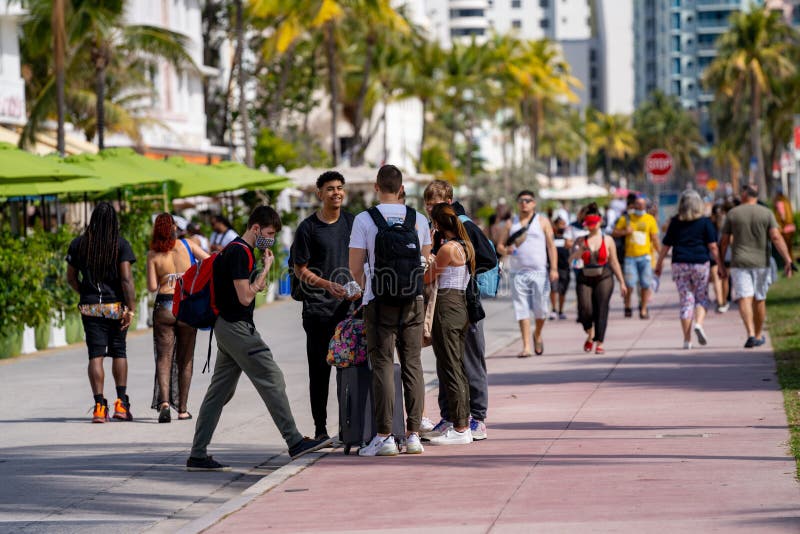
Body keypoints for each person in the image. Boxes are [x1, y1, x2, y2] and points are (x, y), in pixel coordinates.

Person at [186, 206, 331, 471]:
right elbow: (245, 296)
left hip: (226, 328)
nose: (271, 239)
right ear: (256, 228)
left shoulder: (236, 250)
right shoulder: (240, 252)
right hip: (237, 329)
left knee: (218, 393)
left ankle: (197, 455)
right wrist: (266, 270)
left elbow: (246, 290)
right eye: (269, 233)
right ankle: (294, 441)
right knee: (272, 377)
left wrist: (260, 272)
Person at [348, 165, 432, 456]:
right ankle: (413, 435)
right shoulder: (418, 219)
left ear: (376, 187)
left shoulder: (364, 219)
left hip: (378, 300)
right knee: (413, 365)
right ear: (401, 188)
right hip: (413, 300)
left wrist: (366, 289)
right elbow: (424, 263)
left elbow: (355, 268)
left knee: (383, 365)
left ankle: (384, 437)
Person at [423, 180, 498, 441]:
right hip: (449, 302)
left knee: (469, 361)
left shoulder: (464, 226)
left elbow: (488, 258)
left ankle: (476, 418)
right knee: (447, 362)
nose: (430, 209)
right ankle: (451, 416)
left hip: (463, 303)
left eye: (435, 204)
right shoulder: (438, 230)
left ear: (449, 203)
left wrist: (466, 276)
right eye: (428, 204)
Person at [290, 171, 355, 441]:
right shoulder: (308, 228)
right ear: (319, 194)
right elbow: (299, 269)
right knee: (319, 373)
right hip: (318, 311)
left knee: (348, 372)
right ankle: (320, 430)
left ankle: (349, 428)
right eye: (330, 189)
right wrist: (327, 285)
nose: (336, 192)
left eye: (339, 188)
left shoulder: (352, 222)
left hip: (349, 312)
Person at [66, 202, 137, 423]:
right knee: (119, 352)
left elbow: (71, 278)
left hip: (90, 308)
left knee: (95, 355)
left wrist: (86, 293)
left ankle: (99, 407)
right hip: (115, 307)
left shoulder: (78, 244)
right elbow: (126, 279)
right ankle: (121, 404)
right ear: (114, 222)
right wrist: (131, 309)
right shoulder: (120, 245)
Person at [146, 213, 209, 422]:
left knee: (164, 358)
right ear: (174, 227)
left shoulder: (153, 254)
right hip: (186, 303)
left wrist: (166, 276)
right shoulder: (188, 244)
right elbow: (209, 261)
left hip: (165, 304)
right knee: (186, 359)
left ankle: (164, 403)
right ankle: (182, 409)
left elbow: (152, 286)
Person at [423, 203, 475, 445]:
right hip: (461, 304)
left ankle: (461, 427)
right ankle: (462, 422)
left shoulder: (447, 249)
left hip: (447, 305)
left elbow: (428, 277)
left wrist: (428, 249)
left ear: (437, 224)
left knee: (450, 367)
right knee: (457, 366)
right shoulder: (466, 246)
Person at [718, 184, 794, 348]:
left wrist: (721, 264)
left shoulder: (733, 213)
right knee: (760, 298)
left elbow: (724, 242)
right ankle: (758, 335)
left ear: (744, 196)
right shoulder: (766, 213)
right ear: (756, 197)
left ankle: (751, 334)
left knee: (744, 297)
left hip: (739, 262)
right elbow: (776, 237)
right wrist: (788, 259)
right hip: (761, 262)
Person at [655, 190, 721, 349]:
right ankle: (699, 323)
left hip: (680, 264)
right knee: (701, 297)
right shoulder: (705, 222)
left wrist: (659, 263)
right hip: (700, 263)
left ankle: (687, 340)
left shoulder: (675, 222)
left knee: (686, 300)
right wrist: (720, 265)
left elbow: (666, 245)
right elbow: (713, 246)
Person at [496, 190, 559, 357]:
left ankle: (537, 334)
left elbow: (551, 246)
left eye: (528, 200)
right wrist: (507, 251)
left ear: (534, 203)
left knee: (542, 310)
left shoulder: (542, 221)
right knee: (521, 308)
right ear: (518, 203)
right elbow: (500, 246)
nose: (524, 203)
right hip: (517, 273)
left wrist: (554, 268)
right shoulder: (511, 223)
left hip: (539, 272)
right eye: (521, 200)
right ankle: (526, 346)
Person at [568, 204, 627, 354]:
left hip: (604, 277)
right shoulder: (580, 240)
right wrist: (579, 252)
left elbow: (614, 262)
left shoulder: (608, 240)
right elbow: (571, 261)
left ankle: (599, 342)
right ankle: (590, 333)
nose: (591, 226)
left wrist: (622, 282)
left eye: (594, 223)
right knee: (584, 309)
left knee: (602, 308)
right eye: (589, 224)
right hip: (585, 276)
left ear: (600, 222)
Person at [613, 196, 660, 319]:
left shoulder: (650, 219)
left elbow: (654, 238)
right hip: (630, 257)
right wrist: (625, 232)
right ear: (634, 205)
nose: (640, 206)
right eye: (638, 204)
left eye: (643, 204)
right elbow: (614, 232)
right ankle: (627, 305)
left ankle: (643, 309)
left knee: (645, 284)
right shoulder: (626, 218)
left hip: (645, 257)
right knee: (629, 284)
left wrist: (660, 255)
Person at [549, 217, 572, 321]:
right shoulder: (550, 238)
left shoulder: (567, 239)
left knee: (562, 290)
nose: (563, 226)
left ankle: (561, 311)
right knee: (553, 289)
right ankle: (554, 309)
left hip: (564, 268)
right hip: (553, 268)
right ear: (555, 225)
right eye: (561, 224)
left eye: (564, 224)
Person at [709, 204, 728, 313]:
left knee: (716, 280)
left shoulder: (709, 223)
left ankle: (720, 302)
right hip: (726, 255)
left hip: (713, 255)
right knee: (725, 279)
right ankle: (724, 301)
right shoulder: (726, 223)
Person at [773, 188, 795, 262]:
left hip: (784, 228)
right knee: (789, 247)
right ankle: (791, 261)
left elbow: (782, 215)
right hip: (791, 227)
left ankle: (787, 263)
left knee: (784, 248)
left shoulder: (779, 202)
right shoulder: (787, 201)